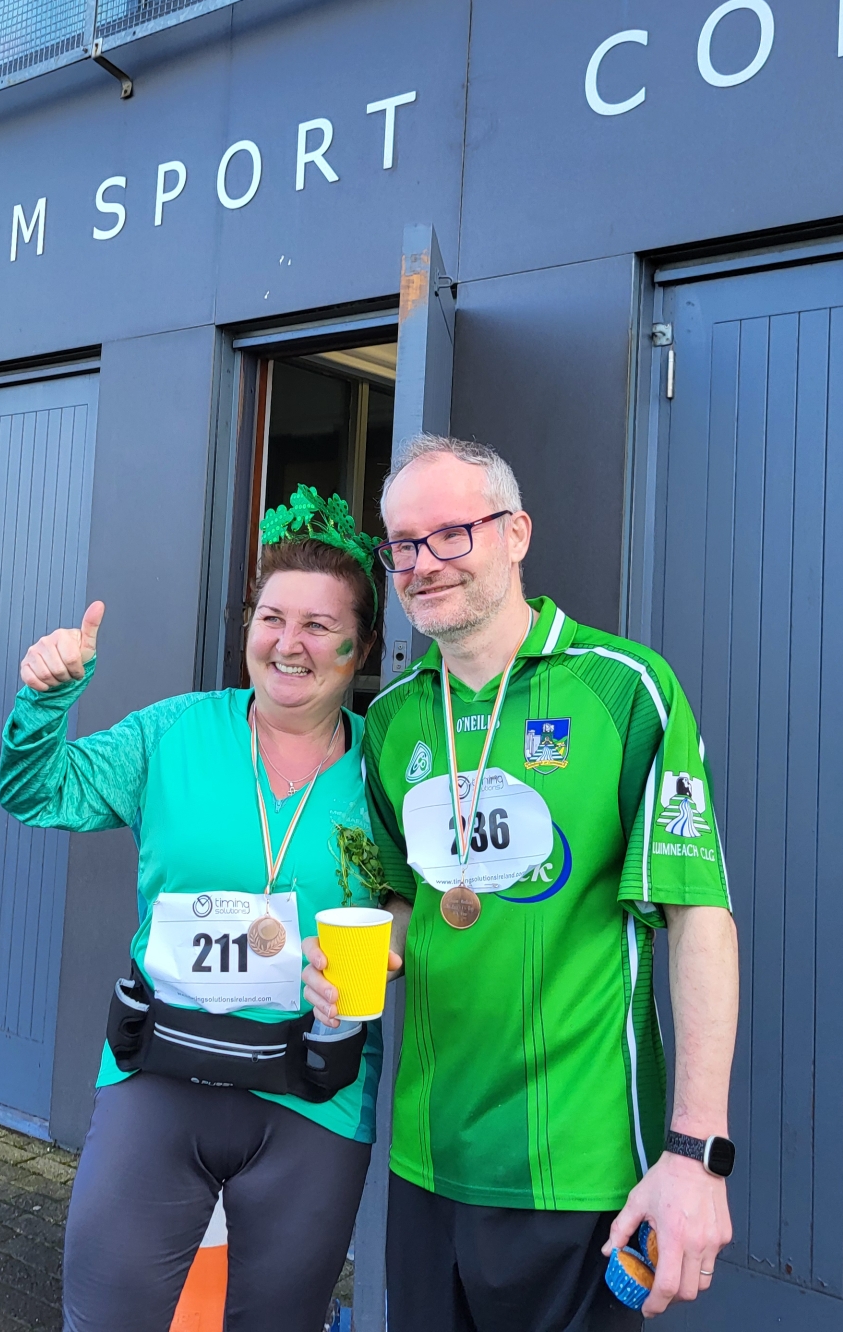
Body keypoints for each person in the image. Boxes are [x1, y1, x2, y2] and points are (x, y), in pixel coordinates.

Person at [302, 434, 739, 1330]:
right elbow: (406, 899)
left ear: (516, 533)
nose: (424, 563)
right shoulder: (392, 718)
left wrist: (695, 1152)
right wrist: (365, 961)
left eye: (452, 533)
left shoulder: (625, 689)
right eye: (403, 544)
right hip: (427, 1159)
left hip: (580, 1166)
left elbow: (699, 916)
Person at [0, 486, 410, 1332]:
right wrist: (45, 699)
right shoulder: (173, 734)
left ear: (362, 646)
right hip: (158, 1073)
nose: (288, 644)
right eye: (272, 618)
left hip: (316, 1095)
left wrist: (389, 951)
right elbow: (39, 791)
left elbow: (418, 899)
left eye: (319, 625)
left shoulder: (389, 764)